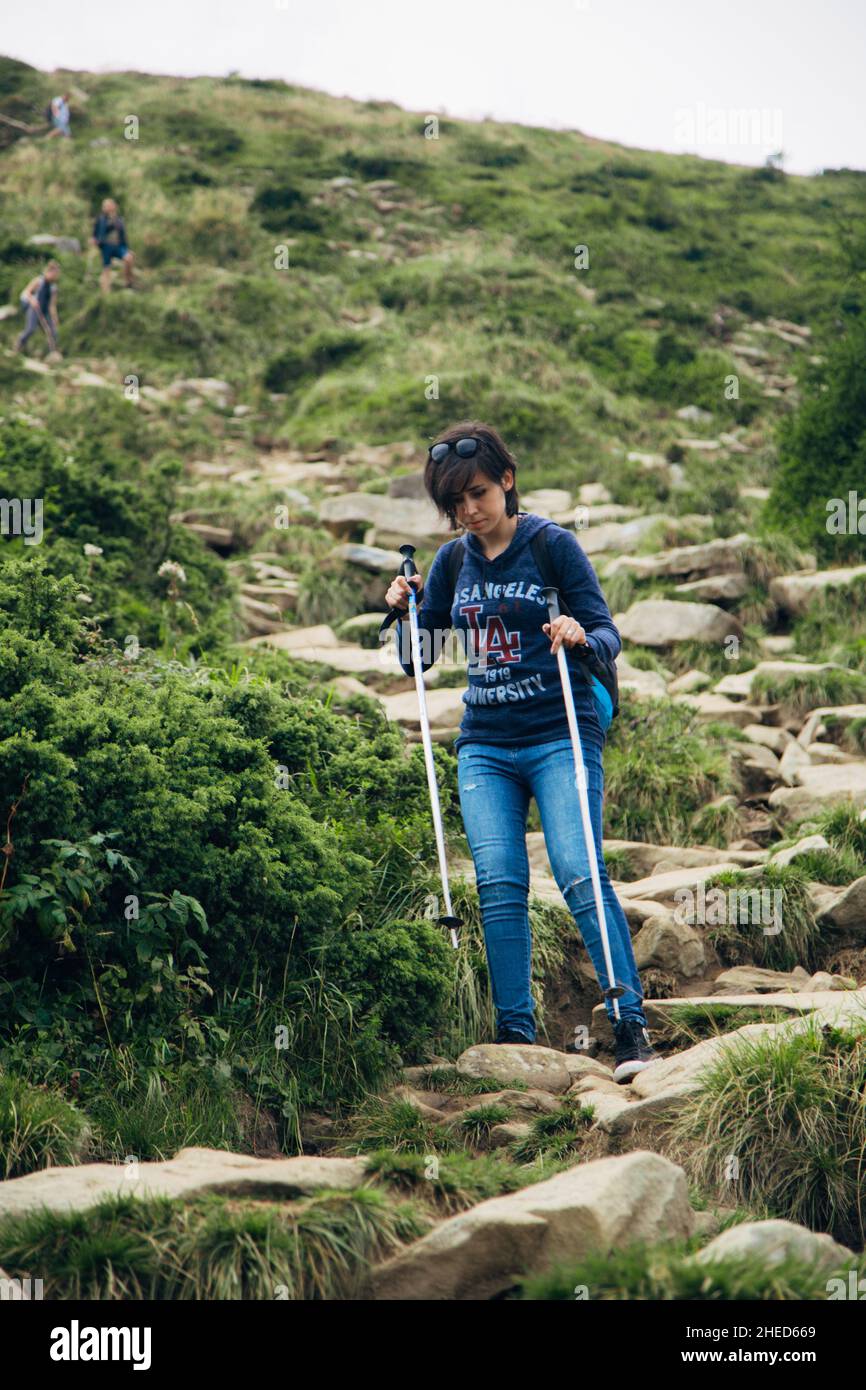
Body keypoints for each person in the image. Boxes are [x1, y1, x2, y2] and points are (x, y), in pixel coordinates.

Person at [384, 421, 660, 1083]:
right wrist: (403, 611)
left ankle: (629, 1025)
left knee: (577, 868)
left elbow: (608, 633)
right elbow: (418, 660)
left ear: (507, 480)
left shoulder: (551, 547)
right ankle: (515, 1035)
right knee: (500, 883)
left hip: (560, 730)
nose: (469, 511)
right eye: (455, 505)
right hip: (485, 743)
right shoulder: (453, 562)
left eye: (478, 493)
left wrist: (577, 633)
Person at [16, 260, 61, 356]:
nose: (56, 276)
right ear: (49, 272)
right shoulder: (38, 281)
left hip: (45, 310)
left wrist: (54, 318)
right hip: (34, 308)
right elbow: (27, 292)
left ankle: (52, 353)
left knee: (53, 331)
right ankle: (20, 343)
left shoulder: (53, 288)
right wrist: (32, 300)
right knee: (31, 329)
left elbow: (52, 305)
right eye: (54, 273)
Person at [91, 197, 135, 293]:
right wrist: (95, 241)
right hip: (106, 246)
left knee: (129, 258)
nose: (106, 207)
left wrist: (127, 248)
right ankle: (106, 293)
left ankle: (128, 282)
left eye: (108, 205)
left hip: (118, 245)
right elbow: (95, 234)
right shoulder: (101, 219)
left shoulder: (119, 219)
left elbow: (123, 235)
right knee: (106, 269)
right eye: (105, 206)